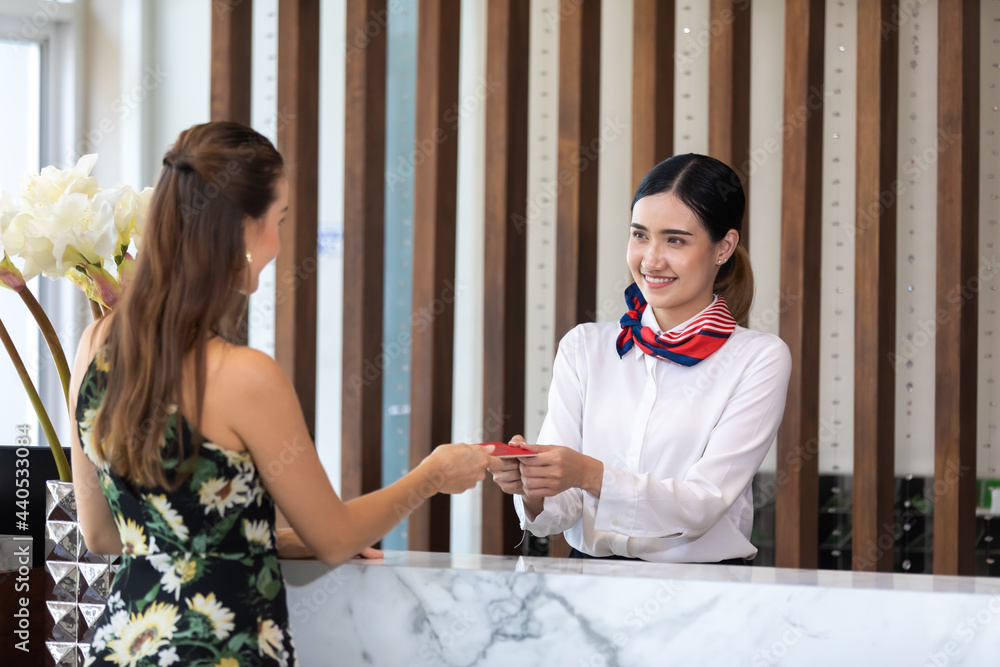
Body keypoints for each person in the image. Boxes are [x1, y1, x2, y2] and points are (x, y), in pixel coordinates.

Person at [69, 121, 493, 667]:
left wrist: (260, 535)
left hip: (120, 647)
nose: (278, 244)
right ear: (243, 230)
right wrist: (432, 475)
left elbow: (102, 534)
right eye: (279, 221)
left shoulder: (94, 344)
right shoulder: (245, 376)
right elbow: (336, 538)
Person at [491, 154, 791, 564]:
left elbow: (703, 504)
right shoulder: (584, 347)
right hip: (590, 590)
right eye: (640, 235)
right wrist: (534, 485)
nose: (651, 260)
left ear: (724, 247)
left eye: (675, 240)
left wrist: (587, 474)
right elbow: (561, 512)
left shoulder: (758, 359)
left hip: (705, 596)